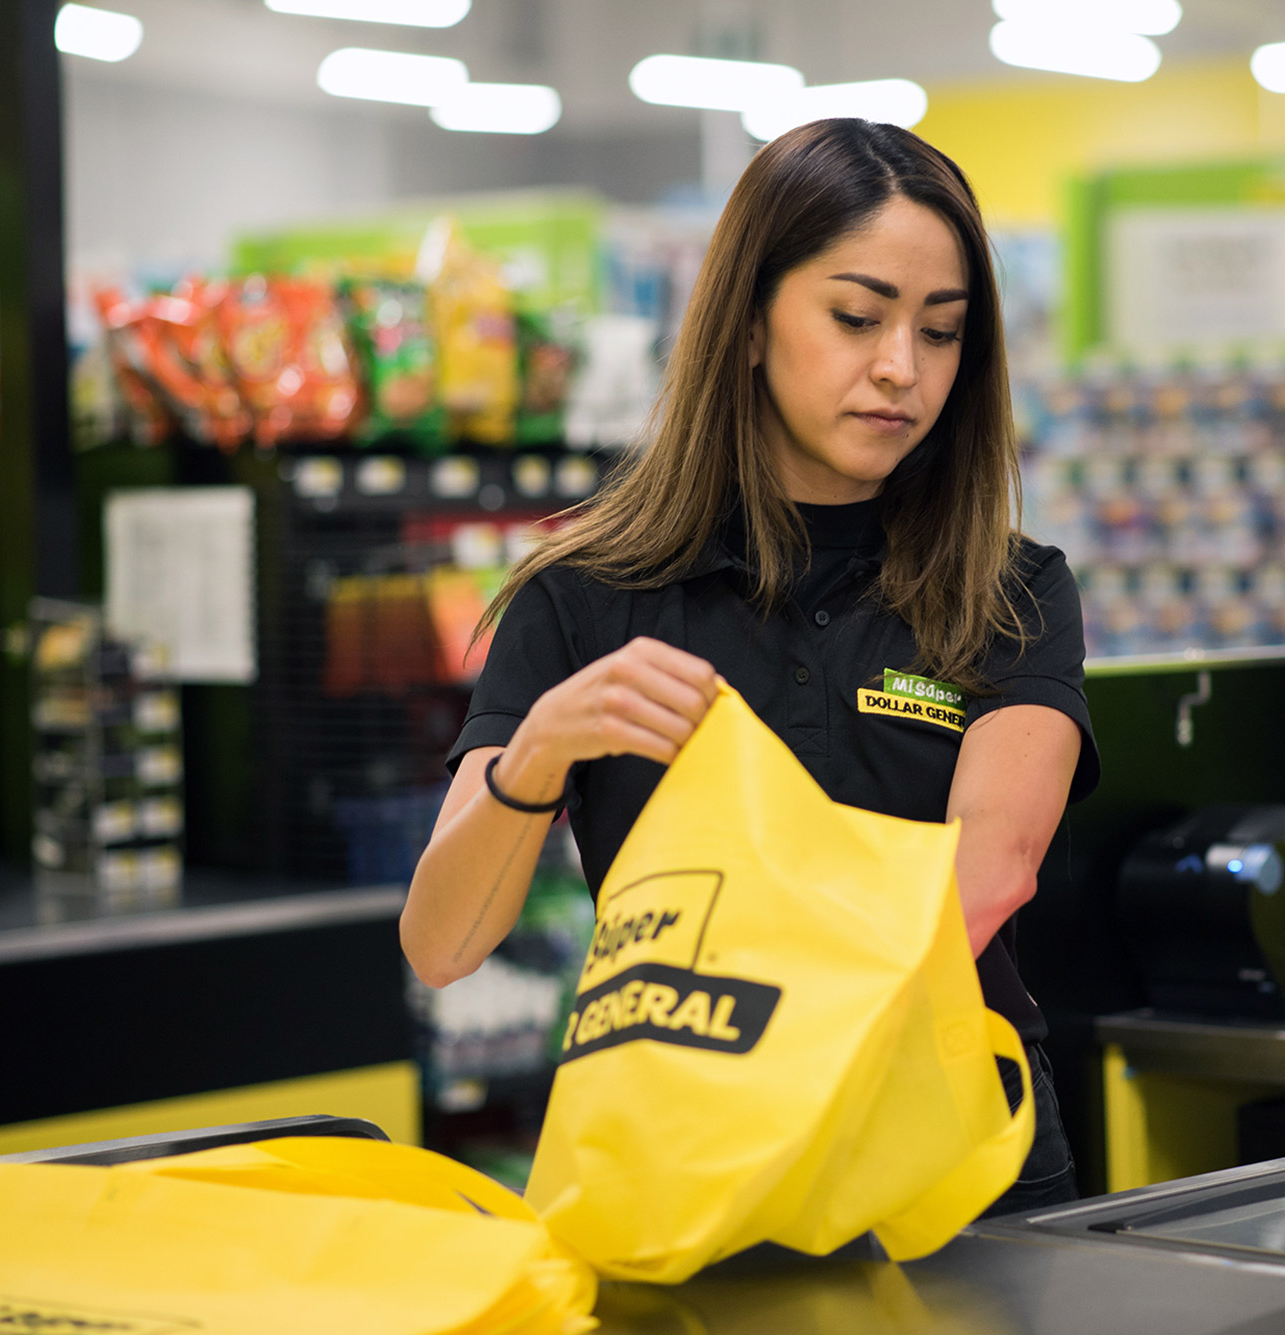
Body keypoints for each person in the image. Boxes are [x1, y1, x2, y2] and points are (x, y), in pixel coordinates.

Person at [401, 118, 1100, 1215]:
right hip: (687, 1169)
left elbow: (991, 868)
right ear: (746, 324)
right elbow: (443, 944)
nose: (900, 368)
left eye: (941, 331)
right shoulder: (581, 595)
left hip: (955, 1165)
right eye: (856, 317)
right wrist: (537, 754)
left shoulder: (1010, 591)